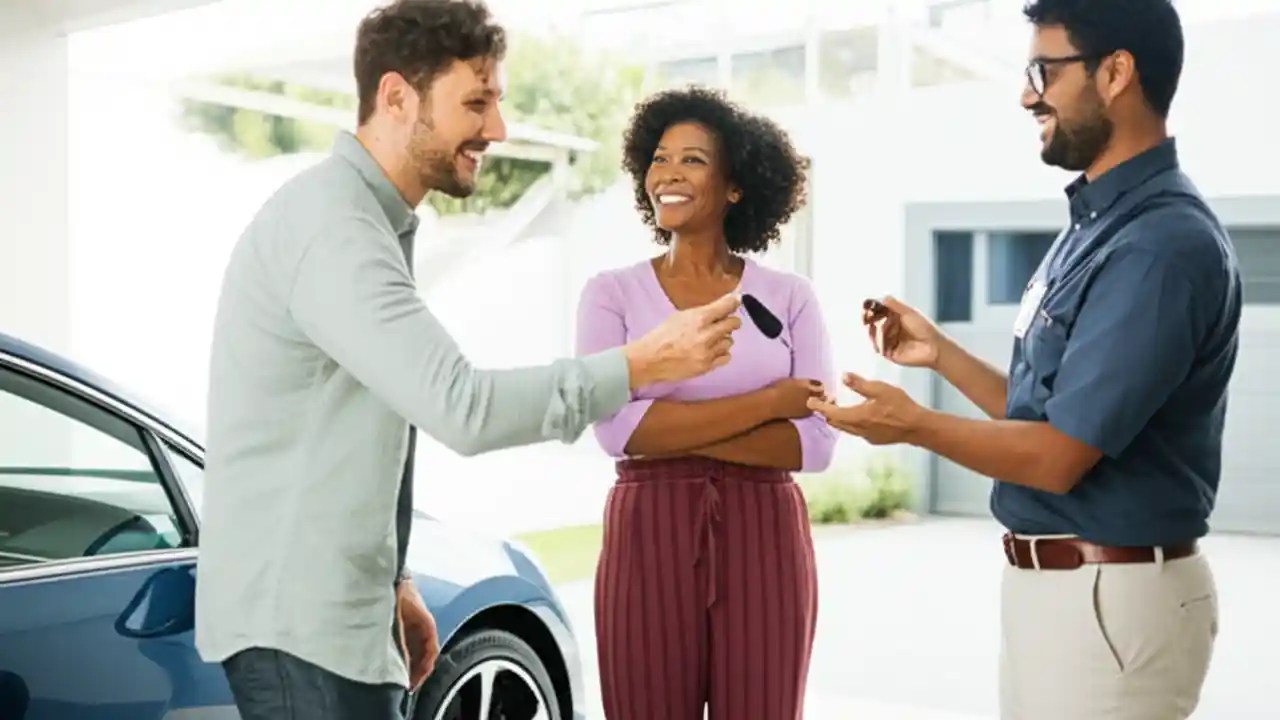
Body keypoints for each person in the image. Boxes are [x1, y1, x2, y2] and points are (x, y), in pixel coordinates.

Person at [192, 2, 743, 718]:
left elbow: (370, 420)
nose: (498, 129)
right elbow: (463, 406)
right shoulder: (333, 230)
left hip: (334, 622)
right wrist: (639, 365)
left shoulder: (365, 221)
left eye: (498, 102)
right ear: (397, 97)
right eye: (475, 102)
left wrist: (393, 579)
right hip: (302, 631)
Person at [811, 1, 1239, 718]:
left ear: (1116, 73)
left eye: (1044, 70)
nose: (1025, 93)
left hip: (1110, 601)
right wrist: (941, 355)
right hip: (1068, 596)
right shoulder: (1098, 228)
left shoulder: (1160, 246)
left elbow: (1056, 456)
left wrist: (915, 426)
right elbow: (1045, 414)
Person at [576, 86, 836, 720]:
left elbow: (816, 444)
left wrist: (666, 427)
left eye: (692, 160)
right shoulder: (610, 295)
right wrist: (770, 400)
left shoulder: (790, 296)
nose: (668, 173)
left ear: (735, 186)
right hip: (648, 530)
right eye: (659, 158)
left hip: (765, 528)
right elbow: (615, 433)